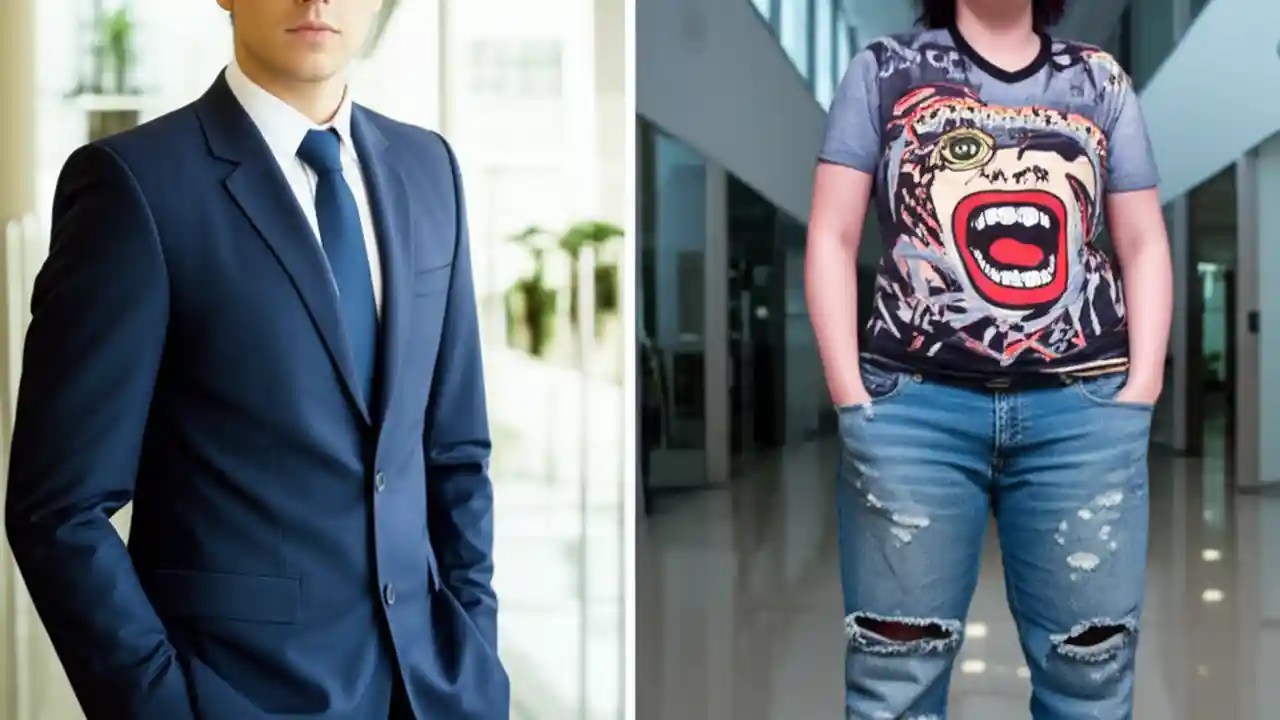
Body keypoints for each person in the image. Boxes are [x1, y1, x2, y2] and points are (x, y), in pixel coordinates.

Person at [3, 1, 508, 718]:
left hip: (433, 692)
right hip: (240, 695)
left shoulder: (430, 170)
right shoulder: (136, 187)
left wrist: (475, 659)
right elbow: (58, 508)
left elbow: (455, 453)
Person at [806, 0, 1171, 717]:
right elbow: (830, 236)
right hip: (914, 416)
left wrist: (1142, 389)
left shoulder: (1100, 81)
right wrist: (851, 396)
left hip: (1083, 418)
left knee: (1091, 680)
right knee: (893, 687)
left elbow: (1144, 242)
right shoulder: (883, 70)